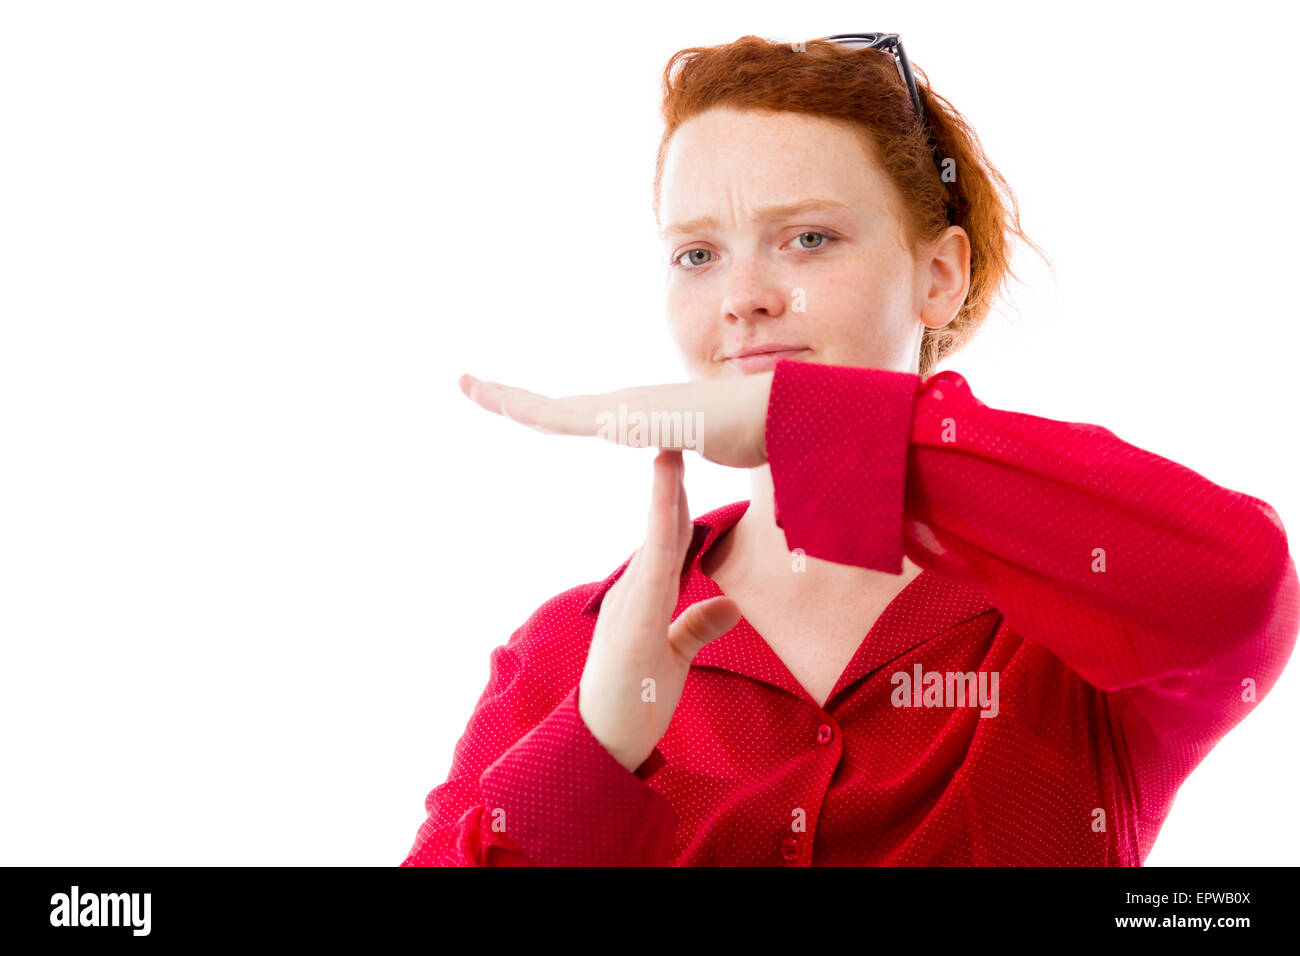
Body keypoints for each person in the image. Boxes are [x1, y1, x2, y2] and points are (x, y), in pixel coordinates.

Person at [401, 34, 1299, 866]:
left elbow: (1244, 583)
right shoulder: (568, 649)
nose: (742, 297)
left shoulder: (1070, 611)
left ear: (937, 276)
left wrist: (815, 428)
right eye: (697, 254)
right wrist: (595, 750)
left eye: (809, 239)